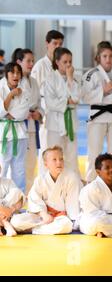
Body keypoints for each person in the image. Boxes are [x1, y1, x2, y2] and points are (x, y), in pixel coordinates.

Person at [82, 41, 112, 182]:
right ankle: (91, 185)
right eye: (104, 56)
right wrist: (104, 90)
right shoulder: (91, 75)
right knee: (94, 153)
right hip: (98, 118)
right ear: (98, 58)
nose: (108, 59)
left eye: (110, 56)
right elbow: (85, 97)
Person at [10, 146, 81, 235]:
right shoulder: (40, 180)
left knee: (66, 226)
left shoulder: (71, 177)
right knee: (16, 221)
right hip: (43, 217)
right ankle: (44, 228)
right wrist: (44, 215)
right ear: (46, 164)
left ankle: (34, 230)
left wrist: (67, 218)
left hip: (62, 218)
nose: (59, 162)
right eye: (54, 160)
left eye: (61, 159)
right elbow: (34, 200)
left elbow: (73, 206)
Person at [42, 47, 81, 177]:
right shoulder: (50, 78)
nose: (68, 64)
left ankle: (72, 186)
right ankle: (53, 186)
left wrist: (70, 79)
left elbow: (76, 98)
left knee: (71, 156)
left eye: (70, 61)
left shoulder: (75, 78)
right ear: (57, 62)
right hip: (55, 124)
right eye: (65, 62)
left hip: (71, 123)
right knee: (54, 157)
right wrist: (67, 101)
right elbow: (50, 102)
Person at [31, 30, 64, 175]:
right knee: (46, 149)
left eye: (60, 44)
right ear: (47, 44)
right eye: (54, 43)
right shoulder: (40, 66)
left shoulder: (61, 64)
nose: (57, 46)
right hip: (45, 110)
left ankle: (59, 180)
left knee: (60, 149)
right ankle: (43, 182)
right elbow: (34, 92)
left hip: (60, 112)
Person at [12, 48, 44, 193]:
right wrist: (21, 113)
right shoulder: (11, 81)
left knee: (31, 164)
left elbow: (39, 103)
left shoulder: (34, 82)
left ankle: (29, 199)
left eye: (33, 60)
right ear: (19, 62)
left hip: (32, 126)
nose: (32, 64)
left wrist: (39, 113)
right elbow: (7, 106)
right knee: (17, 166)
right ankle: (13, 200)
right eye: (28, 61)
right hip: (17, 128)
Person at [0, 62, 31, 192]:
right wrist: (10, 95)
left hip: (20, 134)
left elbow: (23, 113)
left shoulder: (25, 89)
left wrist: (6, 112)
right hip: (3, 134)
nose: (15, 75)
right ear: (6, 75)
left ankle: (18, 199)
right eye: (12, 72)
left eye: (18, 72)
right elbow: (0, 112)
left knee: (19, 168)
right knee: (2, 167)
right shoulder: (0, 87)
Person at [0, 167, 24, 236]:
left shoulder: (8, 182)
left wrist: (9, 210)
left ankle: (4, 221)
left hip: (10, 212)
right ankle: (5, 223)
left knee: (16, 191)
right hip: (7, 214)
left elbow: (19, 197)